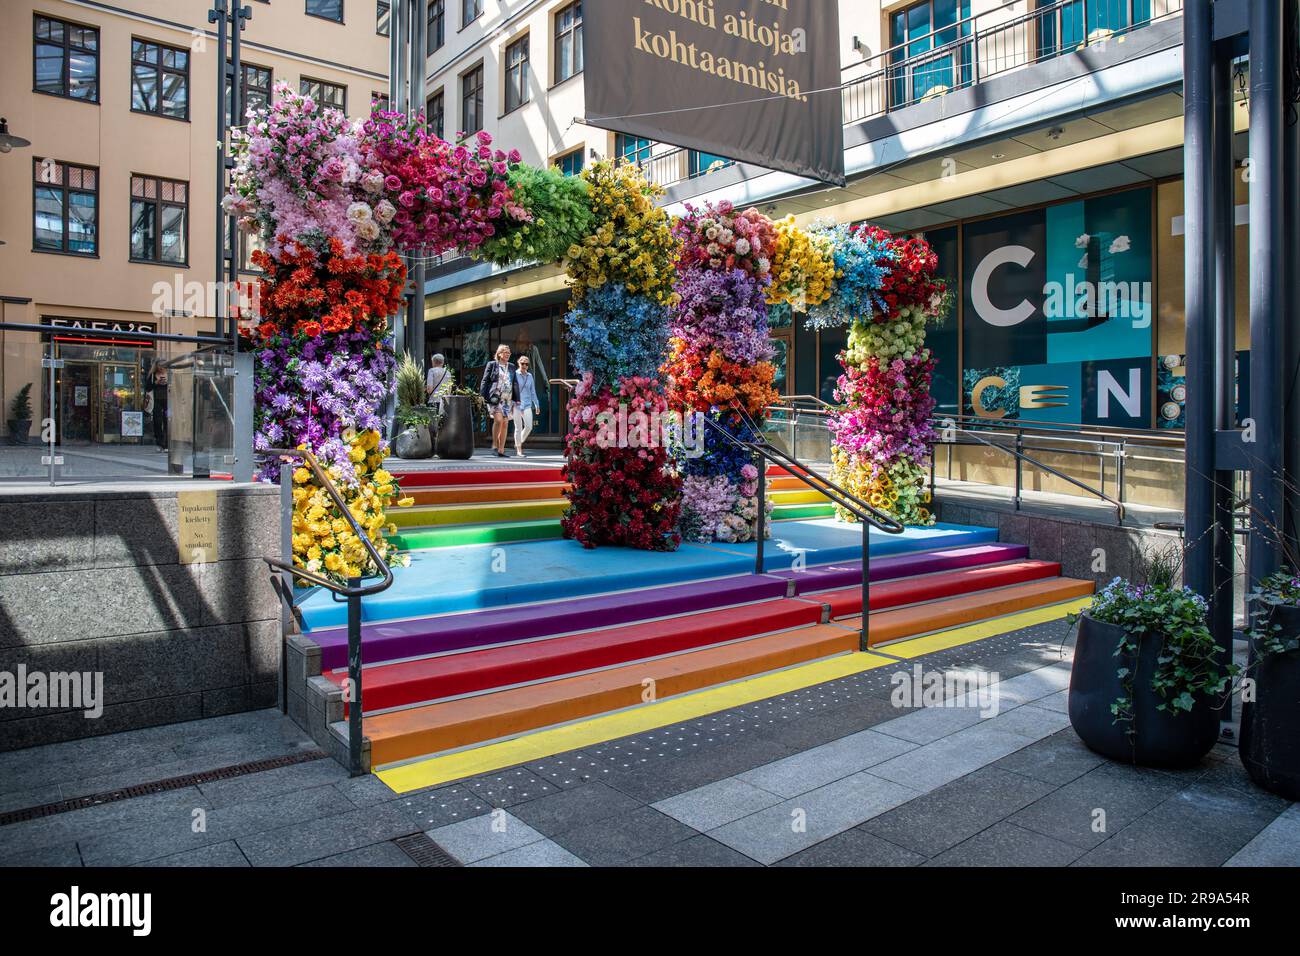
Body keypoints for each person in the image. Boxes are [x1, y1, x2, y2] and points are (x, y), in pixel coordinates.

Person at [478, 344, 518, 457]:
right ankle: (494, 445)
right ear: (499, 354)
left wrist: (517, 398)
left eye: (509, 352)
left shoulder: (511, 366)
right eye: (505, 352)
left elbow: (515, 383)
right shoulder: (492, 364)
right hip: (495, 397)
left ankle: (501, 450)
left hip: (507, 398)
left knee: (505, 423)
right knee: (499, 420)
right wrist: (482, 395)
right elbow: (485, 380)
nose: (507, 354)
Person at [512, 355, 540, 457]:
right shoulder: (514, 374)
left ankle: (518, 442)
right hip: (517, 404)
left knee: (529, 426)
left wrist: (536, 404)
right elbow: (511, 391)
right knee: (518, 428)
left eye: (526, 364)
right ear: (518, 363)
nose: (524, 365)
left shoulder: (530, 376)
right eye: (522, 363)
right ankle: (519, 450)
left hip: (527, 404)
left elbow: (533, 391)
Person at [146, 359, 169, 452]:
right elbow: (147, 387)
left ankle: (167, 444)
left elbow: (177, 386)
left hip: (168, 402)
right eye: (159, 365)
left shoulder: (170, 374)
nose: (161, 367)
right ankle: (160, 443)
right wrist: (155, 383)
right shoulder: (152, 376)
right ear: (156, 366)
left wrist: (168, 383)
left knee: (168, 422)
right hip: (156, 402)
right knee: (157, 422)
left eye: (163, 365)